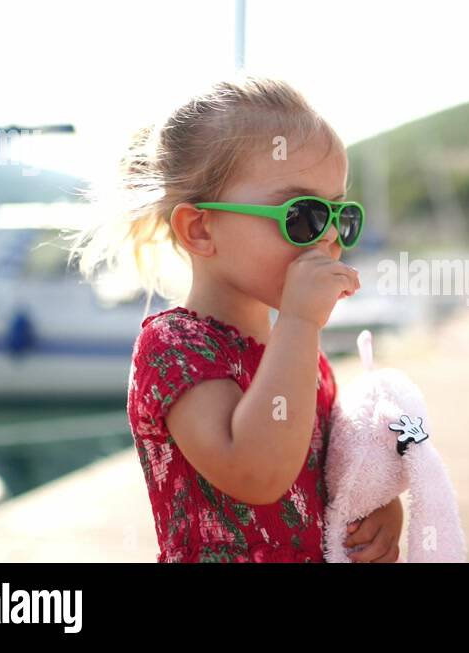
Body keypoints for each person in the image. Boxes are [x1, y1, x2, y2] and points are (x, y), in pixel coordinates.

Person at [70, 76, 403, 563]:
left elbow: (331, 480)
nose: (330, 236)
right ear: (201, 229)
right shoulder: (175, 346)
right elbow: (255, 473)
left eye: (342, 215)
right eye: (305, 214)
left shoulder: (297, 352)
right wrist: (299, 323)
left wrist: (378, 511)